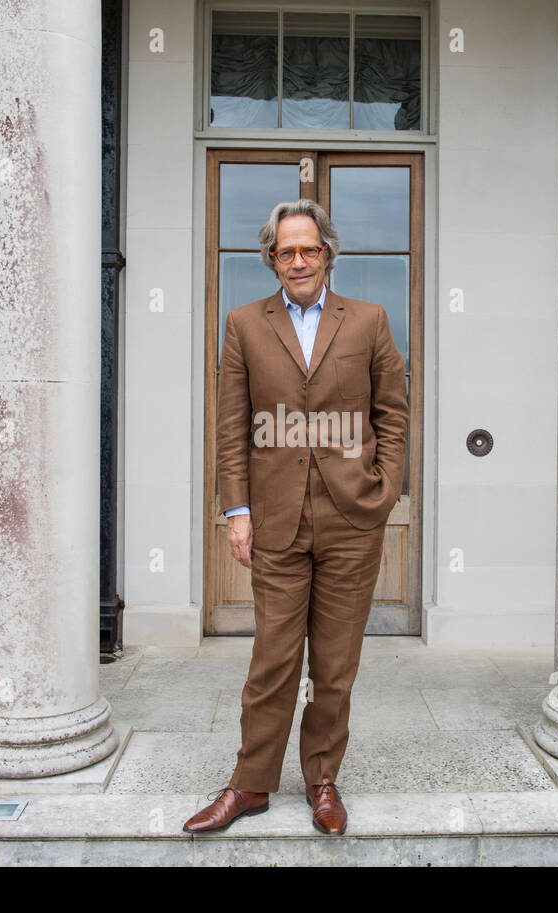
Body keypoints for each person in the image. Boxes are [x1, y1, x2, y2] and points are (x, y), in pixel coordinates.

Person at [183, 199, 409, 835]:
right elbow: (232, 426)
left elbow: (394, 411)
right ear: (272, 259)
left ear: (327, 253)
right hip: (276, 523)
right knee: (272, 663)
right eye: (287, 251)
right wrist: (237, 509)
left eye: (310, 249)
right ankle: (250, 785)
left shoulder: (368, 320)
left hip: (350, 522)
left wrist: (385, 488)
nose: (300, 260)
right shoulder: (244, 325)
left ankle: (323, 781)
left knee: (335, 667)